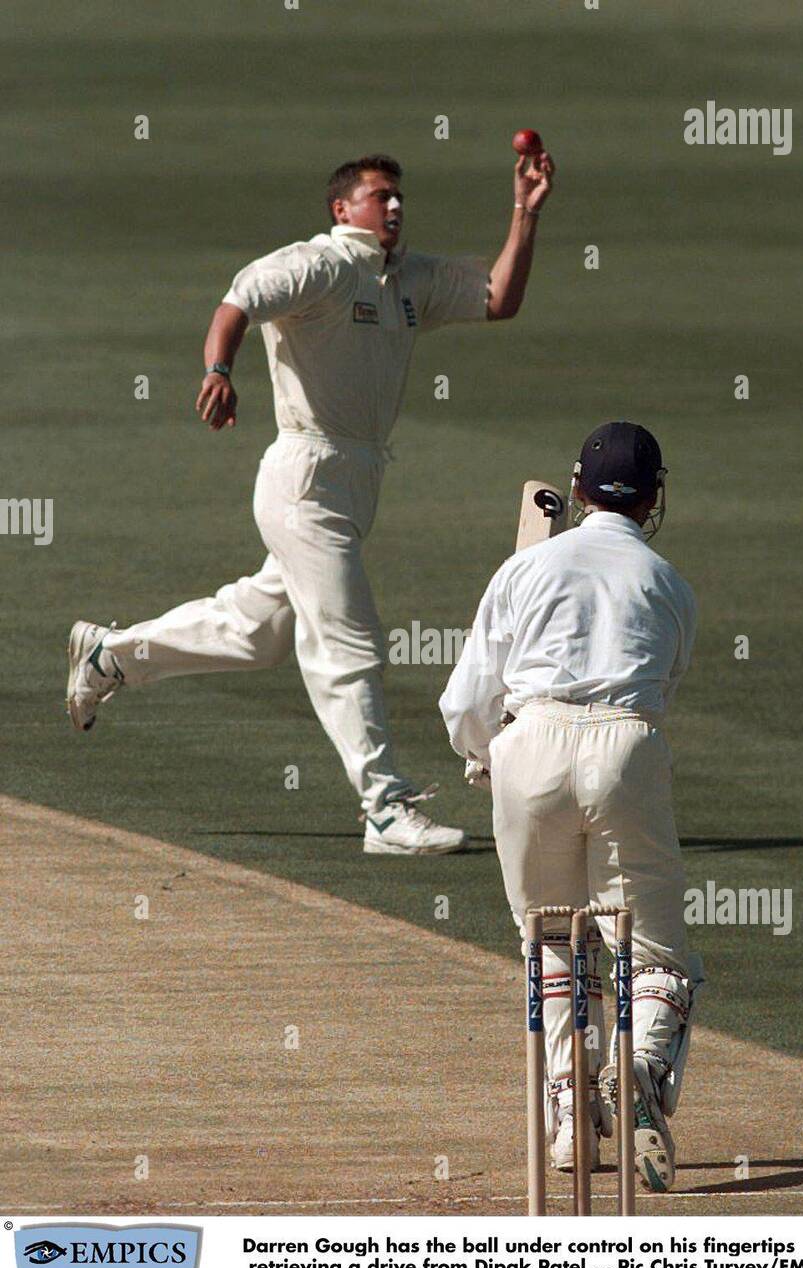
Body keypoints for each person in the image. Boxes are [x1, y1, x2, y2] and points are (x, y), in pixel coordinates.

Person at [66, 149, 555, 855]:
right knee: (348, 645)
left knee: (258, 631)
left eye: (398, 198)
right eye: (379, 196)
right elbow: (237, 302)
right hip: (305, 475)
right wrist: (218, 370)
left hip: (356, 482)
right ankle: (384, 810)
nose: (393, 207)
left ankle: (110, 656)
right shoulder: (320, 265)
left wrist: (525, 213)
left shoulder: (408, 277)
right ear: (342, 209)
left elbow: (497, 298)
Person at [439, 421, 704, 1191]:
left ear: (579, 491)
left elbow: (465, 700)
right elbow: (661, 691)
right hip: (628, 742)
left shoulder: (523, 570)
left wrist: (486, 757)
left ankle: (568, 1120)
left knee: (550, 938)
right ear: (653, 498)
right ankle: (642, 1070)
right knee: (655, 957)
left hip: (530, 744)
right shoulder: (670, 584)